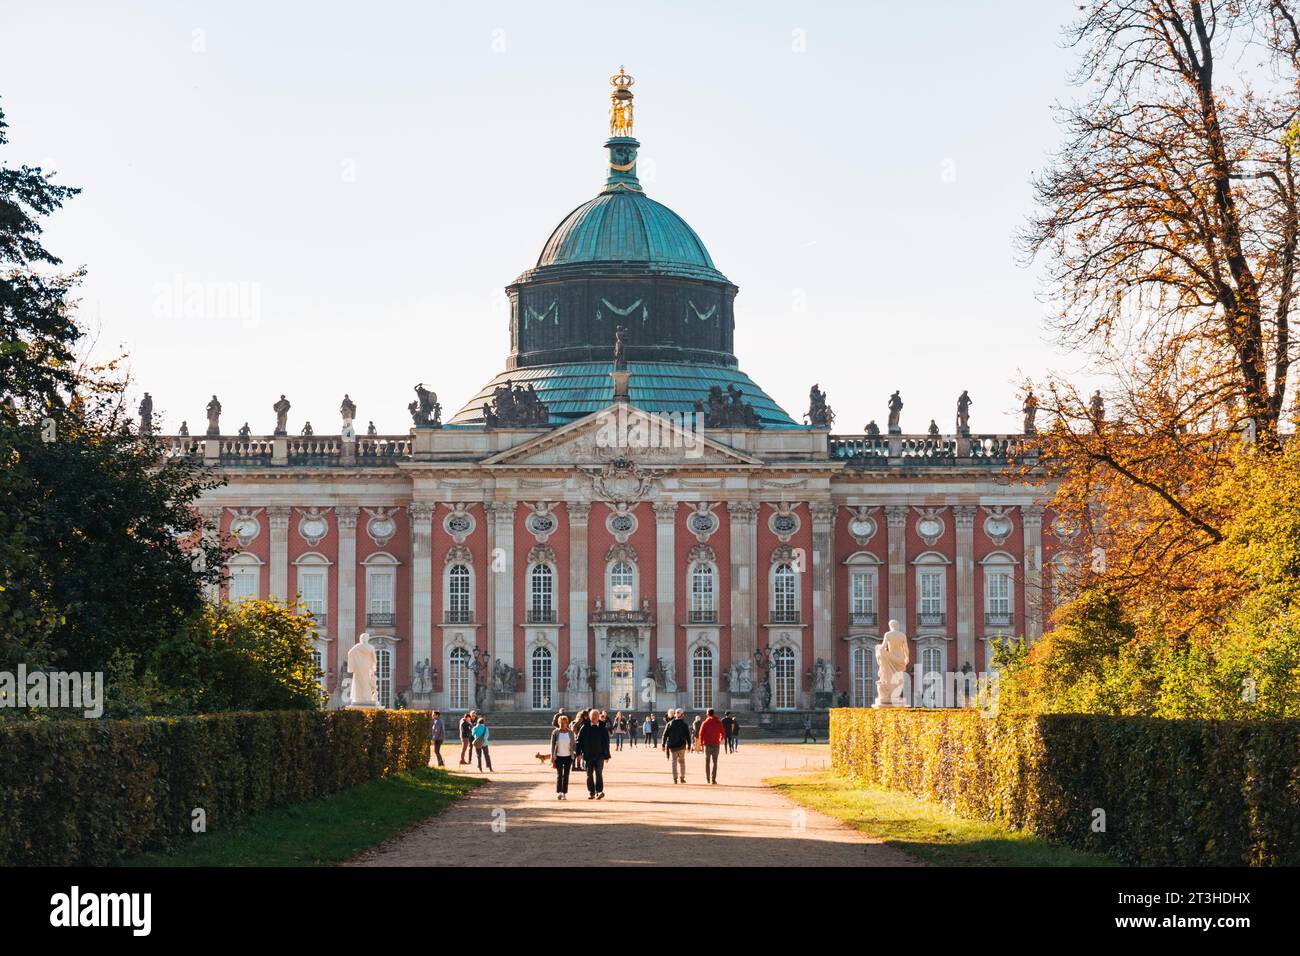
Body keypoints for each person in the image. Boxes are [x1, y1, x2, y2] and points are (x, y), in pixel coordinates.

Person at [575, 707, 611, 799]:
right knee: (589, 774)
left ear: (598, 716)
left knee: (599, 773)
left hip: (600, 755)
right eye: (592, 716)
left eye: (596, 715)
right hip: (587, 755)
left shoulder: (603, 727)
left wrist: (607, 755)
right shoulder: (585, 727)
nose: (594, 717)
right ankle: (591, 792)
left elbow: (606, 742)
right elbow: (579, 741)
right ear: (590, 717)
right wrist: (578, 754)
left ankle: (599, 791)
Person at [662, 708, 691, 784]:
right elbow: (688, 736)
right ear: (682, 715)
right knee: (682, 762)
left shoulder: (670, 723)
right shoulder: (684, 724)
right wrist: (689, 746)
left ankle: (675, 778)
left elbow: (665, 735)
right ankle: (682, 777)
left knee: (674, 762)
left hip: (672, 746)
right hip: (681, 746)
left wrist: (663, 744)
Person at [551, 715, 576, 801]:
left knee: (566, 775)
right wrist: (552, 757)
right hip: (558, 757)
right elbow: (552, 745)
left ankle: (564, 793)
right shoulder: (555, 732)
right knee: (559, 775)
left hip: (568, 756)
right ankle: (559, 792)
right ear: (558, 723)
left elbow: (573, 744)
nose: (562, 725)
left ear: (567, 723)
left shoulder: (571, 733)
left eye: (564, 723)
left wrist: (576, 753)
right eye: (561, 723)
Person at [698, 708, 726, 784]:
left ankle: (707, 779)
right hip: (716, 744)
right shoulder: (718, 722)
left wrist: (701, 743)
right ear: (714, 713)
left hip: (707, 744)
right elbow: (723, 733)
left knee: (707, 762)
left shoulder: (705, 723)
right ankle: (713, 779)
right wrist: (720, 739)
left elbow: (701, 734)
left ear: (707, 714)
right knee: (715, 762)